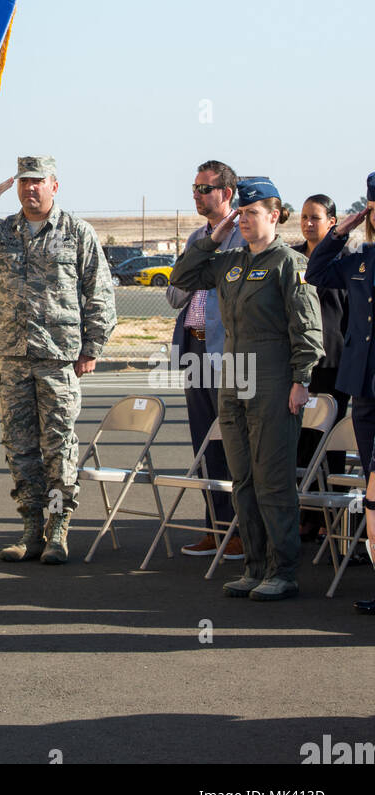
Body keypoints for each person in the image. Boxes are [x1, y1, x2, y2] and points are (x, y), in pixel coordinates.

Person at [170, 178, 324, 600]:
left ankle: (283, 571)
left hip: (273, 377)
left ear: (274, 215)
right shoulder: (230, 260)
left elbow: (307, 327)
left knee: (272, 480)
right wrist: (213, 238)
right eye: (241, 213)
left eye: (253, 213)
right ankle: (255, 568)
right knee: (243, 480)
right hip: (233, 377)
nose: (246, 220)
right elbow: (183, 277)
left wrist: (301, 381)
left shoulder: (288, 264)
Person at [0, 156, 116, 564]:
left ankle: (58, 530)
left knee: (57, 446)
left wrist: (92, 348)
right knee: (19, 447)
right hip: (14, 356)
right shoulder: (0, 232)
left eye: (37, 182)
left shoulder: (77, 233)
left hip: (57, 359)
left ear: (55, 185)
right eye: (23, 182)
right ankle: (30, 532)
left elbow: (100, 294)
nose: (29, 189)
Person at [165, 160, 245, 559]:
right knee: (204, 442)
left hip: (229, 352)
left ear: (226, 193)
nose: (195, 195)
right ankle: (215, 526)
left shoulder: (243, 234)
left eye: (204, 189)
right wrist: (195, 260)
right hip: (194, 346)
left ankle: (242, 531)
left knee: (234, 442)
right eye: (194, 188)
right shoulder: (198, 236)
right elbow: (175, 293)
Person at [305, 174, 375, 612]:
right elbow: (316, 272)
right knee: (372, 491)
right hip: (363, 385)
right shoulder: (362, 256)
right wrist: (339, 232)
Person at [292, 195, 349, 539]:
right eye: (304, 217)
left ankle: (335, 521)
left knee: (332, 441)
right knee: (304, 439)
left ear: (332, 221)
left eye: (315, 218)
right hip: (302, 361)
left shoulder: (343, 260)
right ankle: (309, 516)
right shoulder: (294, 256)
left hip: (334, 360)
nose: (308, 223)